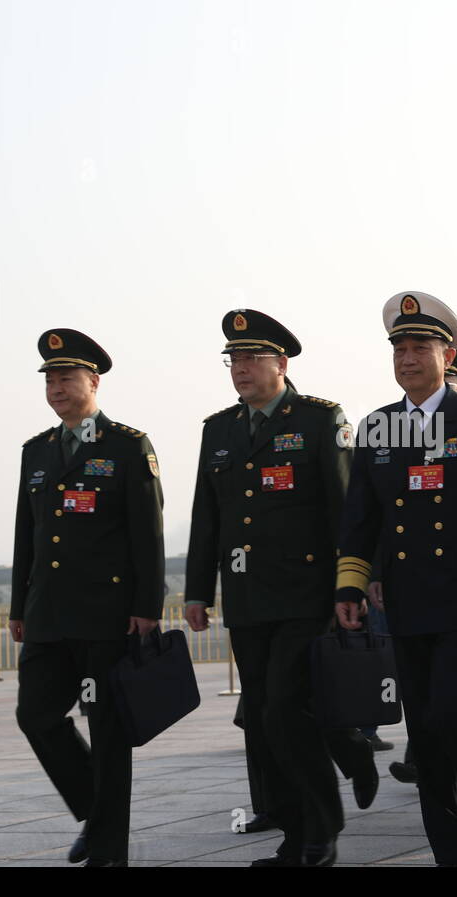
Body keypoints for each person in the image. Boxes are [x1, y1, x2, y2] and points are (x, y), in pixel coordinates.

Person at [336, 291, 457, 867]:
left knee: (454, 712)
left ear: (447, 354)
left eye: (420, 345)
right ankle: (450, 844)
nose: (407, 356)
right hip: (408, 598)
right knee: (425, 723)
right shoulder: (377, 427)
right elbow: (359, 517)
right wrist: (350, 585)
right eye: (398, 346)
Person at [185, 308, 376, 868]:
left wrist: (353, 586)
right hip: (247, 596)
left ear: (281, 363)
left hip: (307, 592)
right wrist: (198, 591)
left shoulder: (320, 420)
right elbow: (206, 517)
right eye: (233, 360)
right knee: (266, 716)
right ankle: (308, 814)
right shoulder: (218, 429)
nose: (240, 369)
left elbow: (349, 510)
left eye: (251, 358)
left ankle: (320, 830)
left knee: (282, 709)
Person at [11, 328, 165, 867]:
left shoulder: (126, 445)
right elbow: (25, 535)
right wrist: (16, 608)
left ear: (93, 381)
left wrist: (147, 605)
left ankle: (108, 850)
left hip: (107, 615)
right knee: (36, 716)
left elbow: (148, 534)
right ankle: (94, 811)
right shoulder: (37, 451)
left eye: (66, 376)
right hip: (47, 614)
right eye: (50, 378)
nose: (56, 386)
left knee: (108, 732)